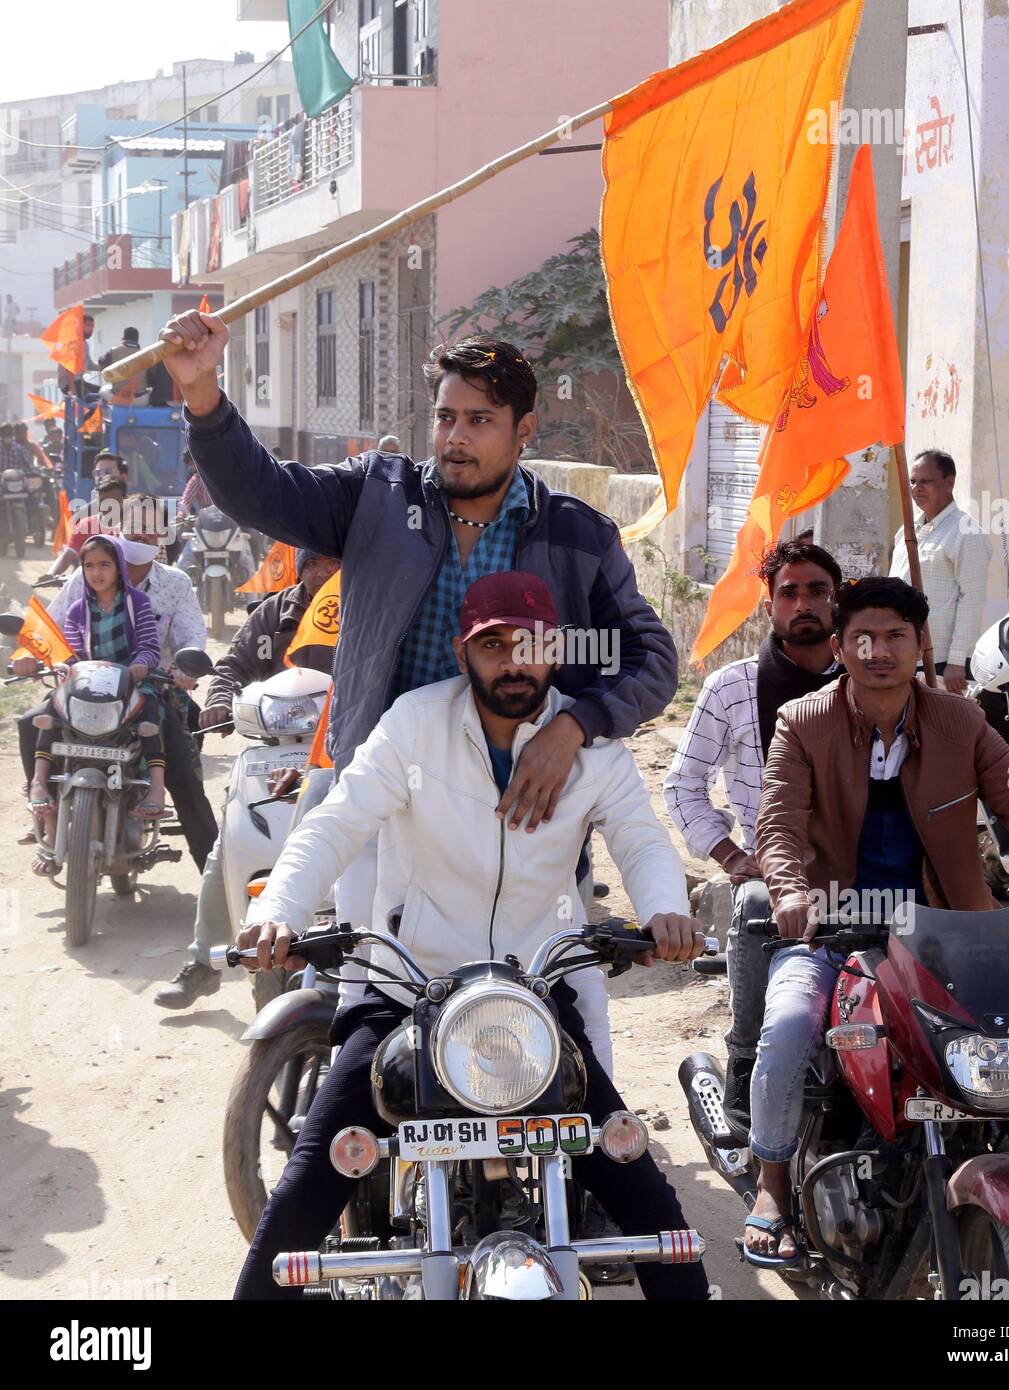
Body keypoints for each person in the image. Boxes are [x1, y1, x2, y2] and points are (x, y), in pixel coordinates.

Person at [159, 315, 677, 999]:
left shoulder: (576, 538)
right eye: (445, 417)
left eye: (480, 420)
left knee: (541, 1016)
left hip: (523, 808)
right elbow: (263, 491)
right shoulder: (377, 496)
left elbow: (650, 657)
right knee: (371, 1001)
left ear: (525, 431)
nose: (456, 437)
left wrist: (574, 726)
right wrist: (203, 396)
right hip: (380, 791)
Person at [232, 571, 709, 1301]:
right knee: (306, 1190)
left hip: (530, 1004)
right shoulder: (412, 724)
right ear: (465, 652)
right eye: (494, 645)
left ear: (555, 651)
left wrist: (666, 911)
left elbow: (642, 840)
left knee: (649, 1204)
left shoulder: (595, 753)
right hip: (408, 992)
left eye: (530, 644)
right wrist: (282, 913)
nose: (513, 662)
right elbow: (338, 823)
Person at [743, 576, 1009, 1260]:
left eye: (896, 636)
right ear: (840, 647)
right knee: (789, 1028)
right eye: (863, 637)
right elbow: (776, 825)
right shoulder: (803, 724)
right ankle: (773, 1182)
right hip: (836, 932)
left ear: (921, 644)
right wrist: (790, 892)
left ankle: (1002, 1163)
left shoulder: (961, 723)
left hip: (946, 940)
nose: (880, 650)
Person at [662, 539, 842, 1130]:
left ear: (837, 601)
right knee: (758, 902)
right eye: (788, 592)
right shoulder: (731, 687)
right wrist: (732, 855)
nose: (803, 603)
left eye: (817, 590)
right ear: (769, 606)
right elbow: (683, 785)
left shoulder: (873, 684)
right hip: (774, 876)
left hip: (862, 874)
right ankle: (745, 1059)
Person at [156, 548, 341, 1008]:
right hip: (275, 752)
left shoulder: (370, 606)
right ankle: (203, 962)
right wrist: (219, 698)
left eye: (334, 563)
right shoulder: (275, 612)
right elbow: (231, 667)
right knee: (231, 845)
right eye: (313, 562)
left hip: (349, 751)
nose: (323, 573)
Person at [15, 495, 218, 870]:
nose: (140, 532)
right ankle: (47, 810)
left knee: (183, 770)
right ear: (118, 529)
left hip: (150, 689)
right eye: (133, 525)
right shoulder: (88, 573)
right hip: (82, 690)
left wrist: (186, 668)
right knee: (31, 723)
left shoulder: (175, 583)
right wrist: (29, 654)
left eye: (149, 527)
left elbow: (191, 636)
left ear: (163, 535)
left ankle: (214, 877)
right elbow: (51, 627)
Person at [27, 536, 168, 868]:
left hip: (129, 685)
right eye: (89, 566)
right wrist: (65, 667)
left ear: (118, 567)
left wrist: (141, 666)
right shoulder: (78, 610)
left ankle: (156, 789)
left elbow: (150, 645)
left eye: (104, 564)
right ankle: (38, 783)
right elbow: (73, 653)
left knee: (150, 711)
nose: (96, 572)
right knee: (52, 708)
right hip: (88, 686)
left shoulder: (138, 603)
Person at [889, 449, 989, 693]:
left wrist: (956, 660)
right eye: (913, 481)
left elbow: (972, 599)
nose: (917, 488)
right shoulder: (907, 532)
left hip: (943, 657)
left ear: (949, 483)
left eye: (926, 481)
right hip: (904, 651)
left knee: (942, 726)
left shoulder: (966, 532)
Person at [45, 451, 129, 579]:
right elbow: (69, 554)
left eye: (107, 471)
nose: (101, 476)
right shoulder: (82, 517)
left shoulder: (142, 515)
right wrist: (50, 576)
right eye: (97, 473)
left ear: (123, 477)